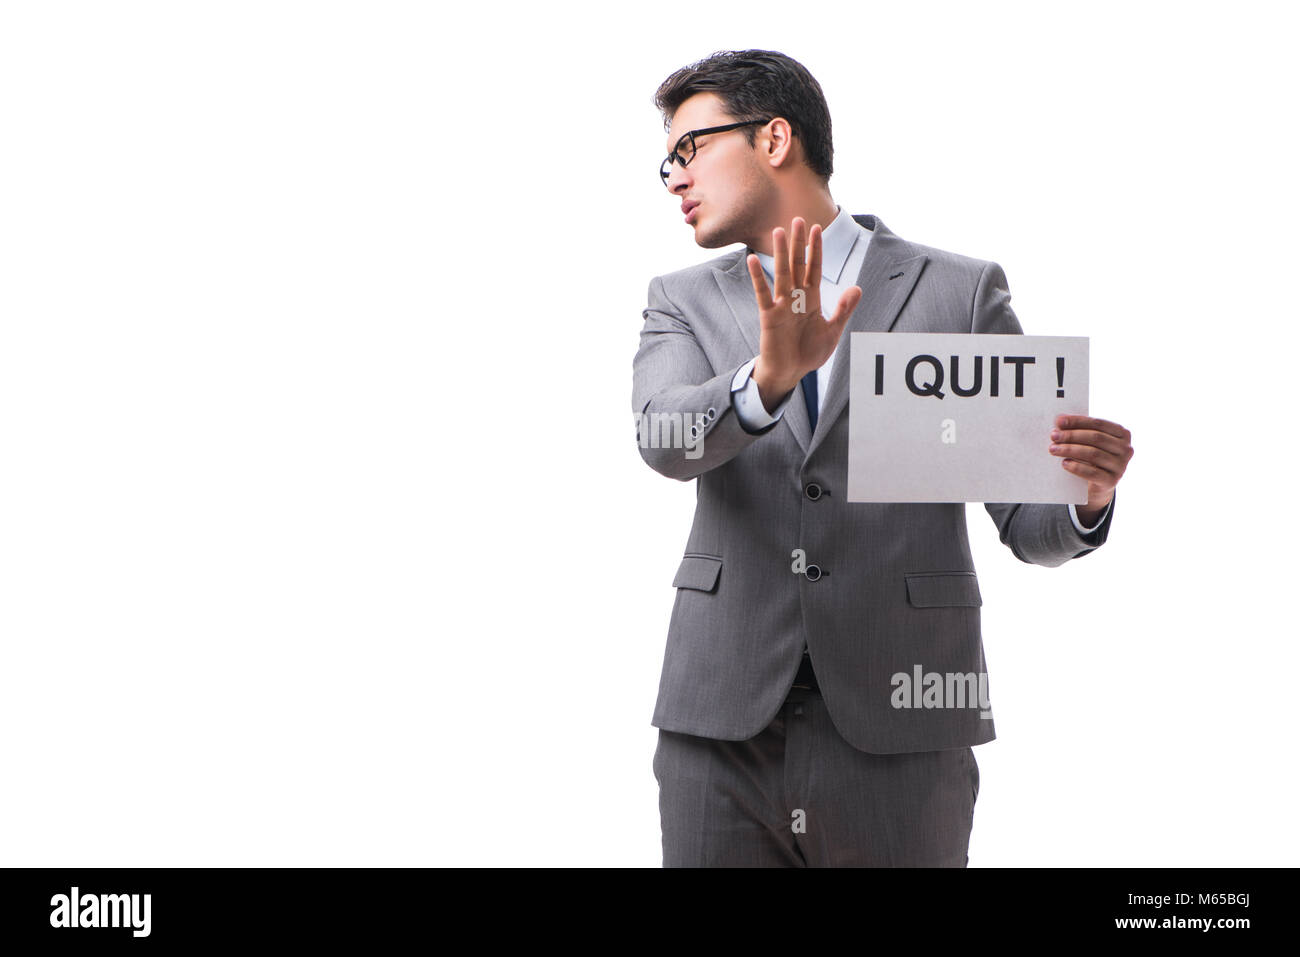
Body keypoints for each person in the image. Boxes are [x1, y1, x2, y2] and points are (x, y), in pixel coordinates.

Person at [632, 50, 1134, 867]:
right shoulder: (680, 301)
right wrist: (766, 381)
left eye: (690, 148)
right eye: (668, 161)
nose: (673, 177)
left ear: (775, 138)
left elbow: (1025, 518)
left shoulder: (956, 294)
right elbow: (663, 439)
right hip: (718, 730)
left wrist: (1083, 496)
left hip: (901, 730)